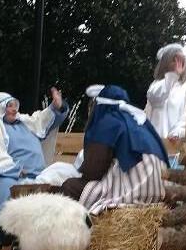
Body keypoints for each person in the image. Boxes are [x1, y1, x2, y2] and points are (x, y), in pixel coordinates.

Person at [0, 88, 69, 243]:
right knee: (11, 190)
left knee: (62, 175)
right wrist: (17, 170)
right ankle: (8, 235)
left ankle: (51, 233)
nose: (14, 109)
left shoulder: (25, 123)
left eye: (15, 105)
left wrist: (55, 106)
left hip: (35, 176)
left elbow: (43, 120)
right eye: (9, 106)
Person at [62, 85, 169, 214]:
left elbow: (93, 171)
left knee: (70, 187)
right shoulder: (140, 122)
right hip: (157, 195)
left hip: (131, 195)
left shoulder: (108, 122)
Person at [145, 43, 186, 141]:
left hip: (176, 143)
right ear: (166, 63)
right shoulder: (156, 84)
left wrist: (177, 133)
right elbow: (155, 99)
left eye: (181, 60)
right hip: (154, 142)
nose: (178, 64)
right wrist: (172, 76)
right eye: (174, 60)